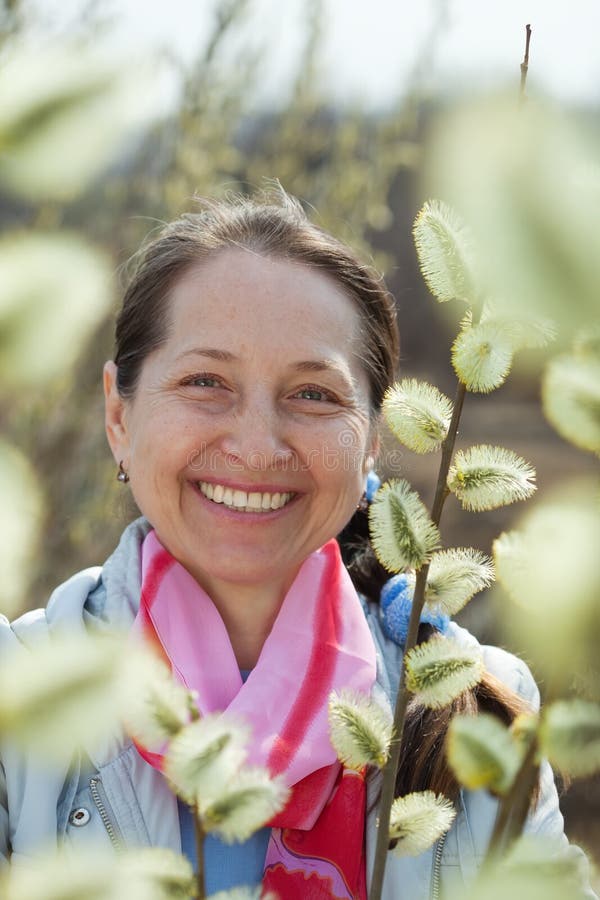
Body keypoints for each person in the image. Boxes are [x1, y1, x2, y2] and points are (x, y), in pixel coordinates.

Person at [0, 192, 595, 899]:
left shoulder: (480, 709)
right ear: (118, 413)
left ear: (373, 438)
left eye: (313, 395)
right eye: (205, 382)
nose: (257, 448)